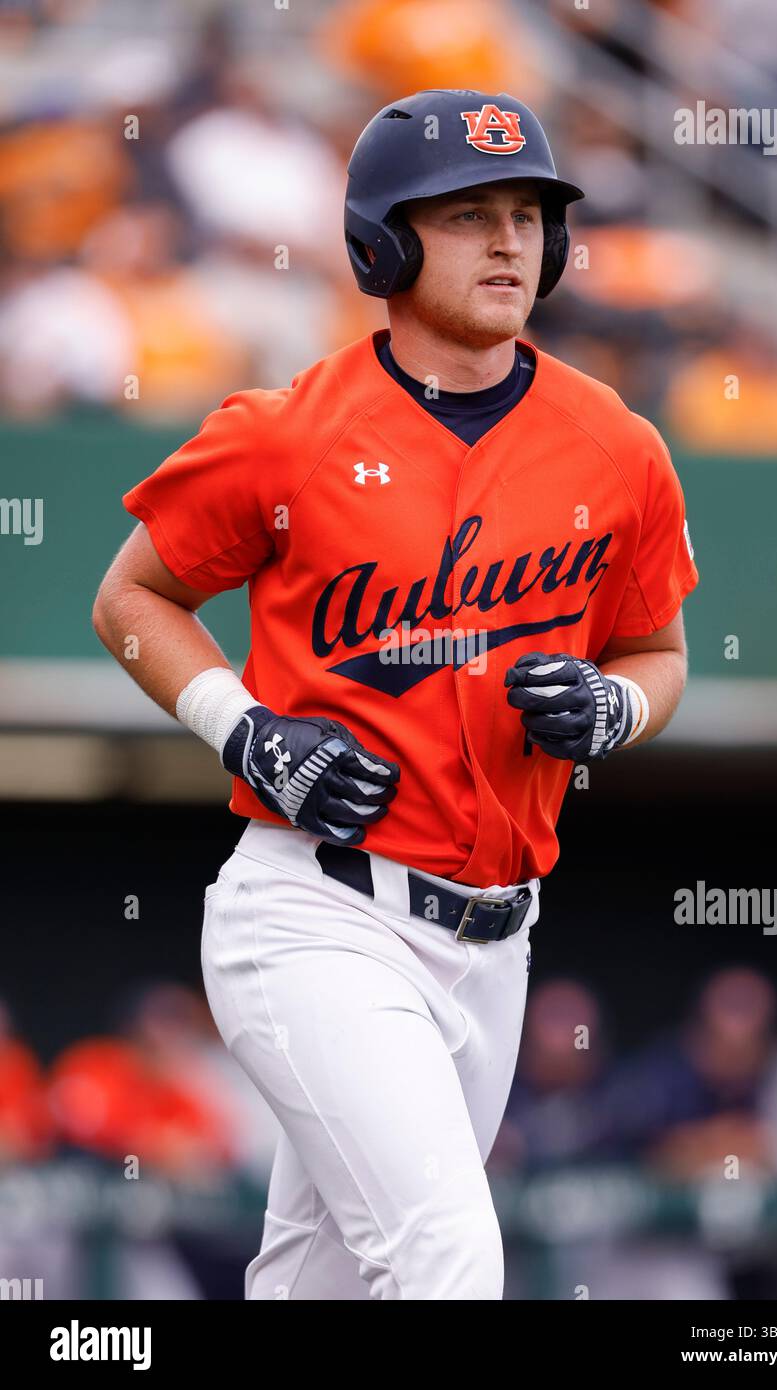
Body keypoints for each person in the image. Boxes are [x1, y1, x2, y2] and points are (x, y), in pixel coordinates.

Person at [92, 89, 699, 1300]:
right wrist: (246, 730)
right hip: (315, 914)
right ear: (383, 243)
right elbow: (132, 598)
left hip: (496, 940)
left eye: (528, 214)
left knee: (315, 1283)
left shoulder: (615, 443)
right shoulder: (284, 434)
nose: (508, 242)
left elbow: (657, 654)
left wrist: (613, 711)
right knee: (446, 1258)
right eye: (467, 214)